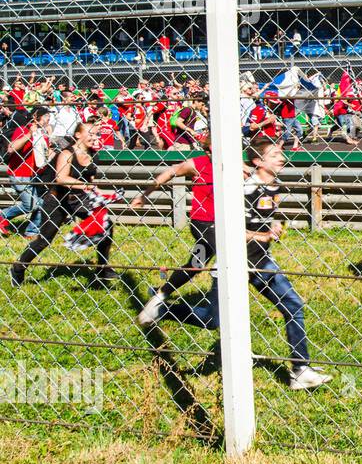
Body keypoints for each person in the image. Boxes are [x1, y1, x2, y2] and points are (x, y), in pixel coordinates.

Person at [149, 137, 332, 390]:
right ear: (258, 161)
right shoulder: (242, 188)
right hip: (232, 262)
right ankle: (163, 310)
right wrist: (263, 235)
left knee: (293, 304)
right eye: (275, 154)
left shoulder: (275, 186)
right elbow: (228, 229)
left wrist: (273, 224)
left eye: (281, 153)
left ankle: (300, 370)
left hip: (260, 261)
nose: (282, 158)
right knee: (213, 320)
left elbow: (261, 217)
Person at [10, 121, 117, 288]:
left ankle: (103, 268)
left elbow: (91, 180)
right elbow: (61, 178)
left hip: (77, 199)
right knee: (44, 240)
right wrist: (86, 186)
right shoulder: (66, 153)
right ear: (78, 135)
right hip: (57, 199)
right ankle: (18, 267)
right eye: (90, 133)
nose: (94, 137)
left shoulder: (93, 155)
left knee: (106, 225)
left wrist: (99, 194)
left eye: (96, 134)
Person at [132, 139, 220, 324]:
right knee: (226, 253)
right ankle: (218, 300)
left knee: (195, 265)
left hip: (222, 224)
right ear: (211, 147)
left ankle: (160, 295)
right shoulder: (198, 162)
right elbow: (171, 172)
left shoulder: (233, 163)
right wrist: (144, 194)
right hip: (203, 224)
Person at [1, 106, 50, 240]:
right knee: (30, 205)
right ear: (36, 117)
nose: (48, 119)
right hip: (20, 173)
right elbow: (11, 148)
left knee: (40, 204)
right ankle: (2, 216)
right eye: (46, 116)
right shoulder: (22, 129)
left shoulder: (43, 133)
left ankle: (32, 232)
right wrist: (29, 134)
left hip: (36, 174)